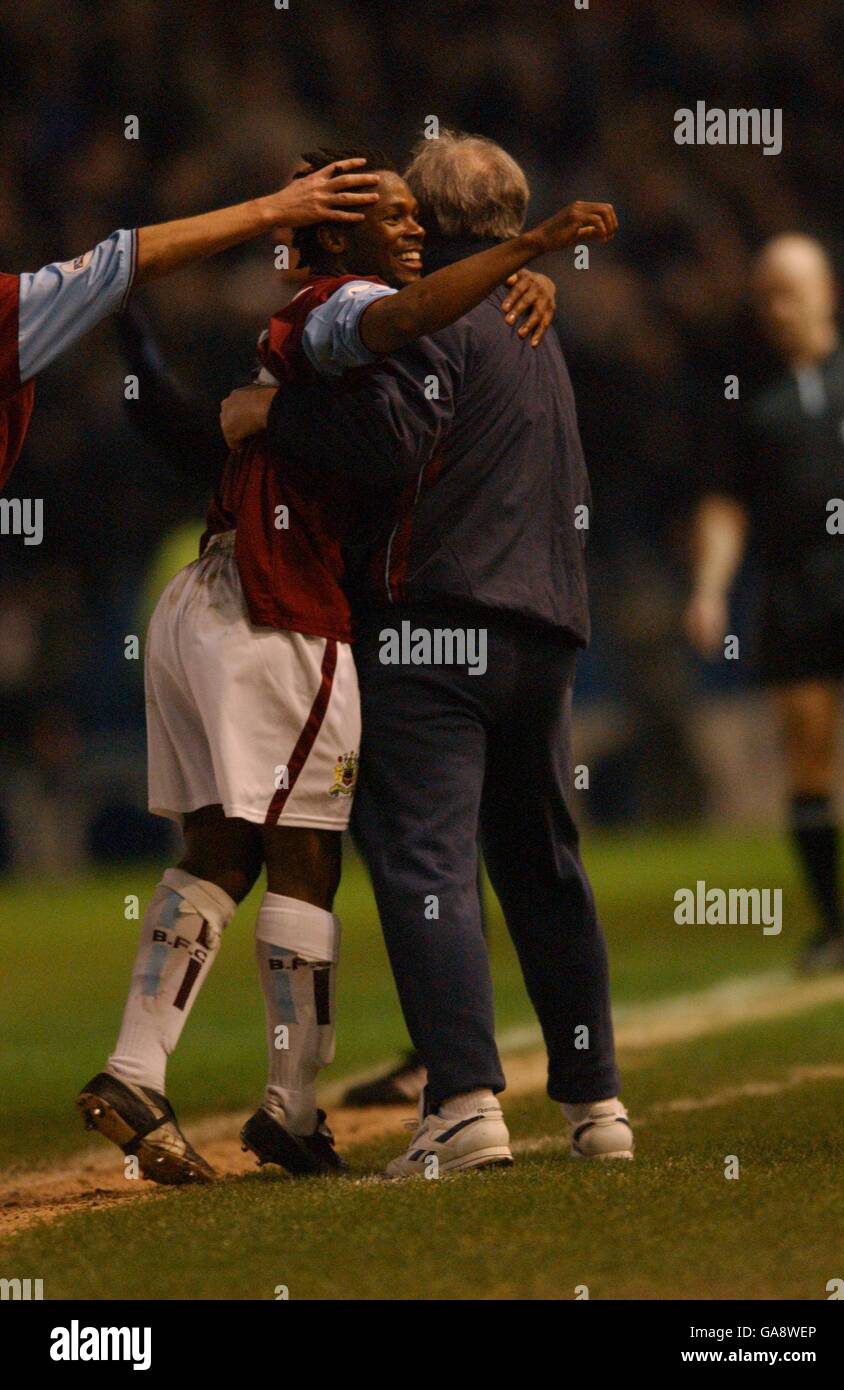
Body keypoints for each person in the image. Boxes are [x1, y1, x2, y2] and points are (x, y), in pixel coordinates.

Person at [78, 145, 614, 1184]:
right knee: (299, 858)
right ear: (335, 235)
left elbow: (210, 428)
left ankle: (205, 1086)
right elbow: (397, 352)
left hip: (216, 596)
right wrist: (527, 250)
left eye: (422, 217)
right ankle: (264, 1098)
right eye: (394, 215)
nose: (414, 231)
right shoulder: (351, 307)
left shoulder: (336, 308)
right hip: (282, 609)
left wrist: (510, 268)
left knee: (229, 845)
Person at [222, 130, 632, 1178]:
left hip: (432, 621)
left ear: (438, 224)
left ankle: (461, 1100)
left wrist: (274, 411)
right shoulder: (531, 319)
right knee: (541, 866)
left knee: (424, 861)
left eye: (412, 212)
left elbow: (388, 440)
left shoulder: (436, 313)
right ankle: (596, 1105)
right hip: (545, 624)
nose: (400, 228)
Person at [685, 235, 844, 973]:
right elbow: (725, 507)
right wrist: (709, 588)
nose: (776, 309)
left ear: (827, 292)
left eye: (788, 291)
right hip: (798, 588)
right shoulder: (749, 401)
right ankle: (833, 929)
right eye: (764, 296)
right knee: (808, 748)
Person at [0, 159, 381, 491]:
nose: (281, 233)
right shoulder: (285, 324)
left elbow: (378, 449)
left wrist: (272, 414)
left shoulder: (361, 320)